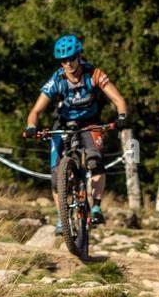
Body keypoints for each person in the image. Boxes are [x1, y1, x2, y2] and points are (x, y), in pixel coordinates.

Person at [25, 34, 128, 231]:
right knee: (56, 173)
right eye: (63, 60)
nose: (68, 63)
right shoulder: (57, 79)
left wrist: (122, 116)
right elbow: (36, 111)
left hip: (90, 123)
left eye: (72, 58)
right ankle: (61, 218)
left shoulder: (94, 74)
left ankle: (96, 206)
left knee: (95, 160)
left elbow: (118, 99)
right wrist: (31, 127)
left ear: (79, 55)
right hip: (63, 123)